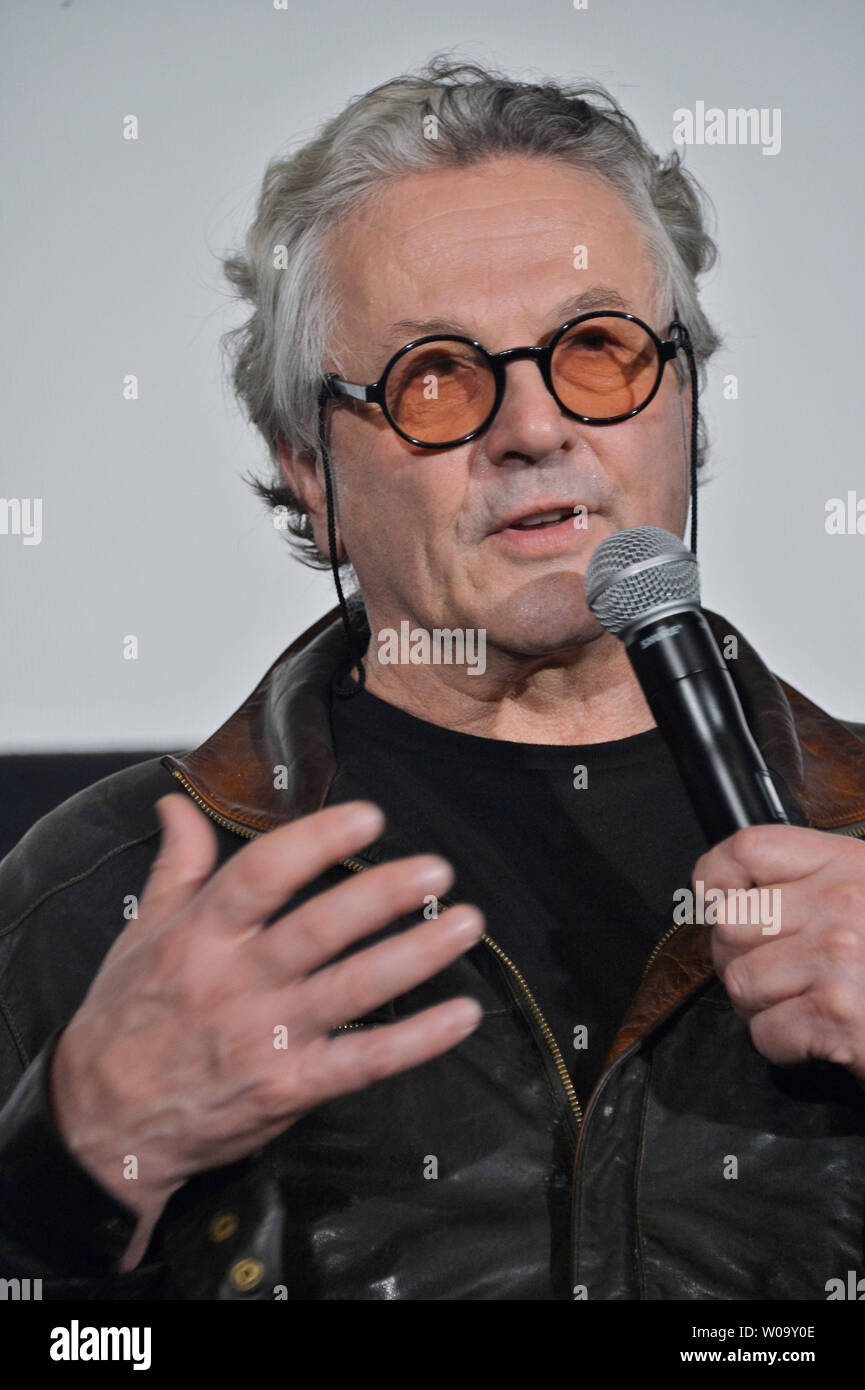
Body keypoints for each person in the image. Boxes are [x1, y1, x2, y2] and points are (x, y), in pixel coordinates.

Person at [2, 55, 865, 1302]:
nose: (533, 428)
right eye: (438, 379)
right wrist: (72, 1163)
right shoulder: (105, 897)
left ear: (682, 395)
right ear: (310, 467)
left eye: (598, 350)